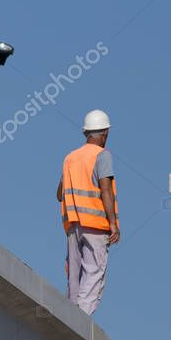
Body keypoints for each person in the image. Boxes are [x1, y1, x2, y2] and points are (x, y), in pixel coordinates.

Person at [57, 109, 119, 315]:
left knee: (74, 274)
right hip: (95, 224)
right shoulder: (102, 155)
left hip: (73, 225)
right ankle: (80, 319)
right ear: (104, 133)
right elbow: (105, 189)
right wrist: (113, 224)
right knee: (93, 272)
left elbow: (59, 194)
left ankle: (70, 315)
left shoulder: (70, 158)